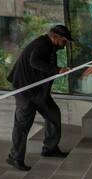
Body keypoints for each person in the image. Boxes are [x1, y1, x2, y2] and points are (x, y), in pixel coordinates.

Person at [6, 24, 73, 171]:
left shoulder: (50, 47)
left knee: (53, 114)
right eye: (64, 41)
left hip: (38, 92)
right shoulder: (42, 44)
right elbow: (34, 62)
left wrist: (57, 71)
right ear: (55, 37)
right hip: (25, 90)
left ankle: (50, 148)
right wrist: (57, 70)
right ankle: (15, 157)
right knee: (23, 124)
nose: (64, 45)